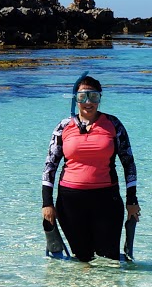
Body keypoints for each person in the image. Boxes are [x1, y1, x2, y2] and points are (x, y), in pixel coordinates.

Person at [42, 74, 140, 262]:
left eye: (94, 97)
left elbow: (128, 163)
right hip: (70, 202)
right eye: (82, 97)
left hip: (107, 200)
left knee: (109, 259)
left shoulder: (113, 124)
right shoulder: (63, 127)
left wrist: (132, 201)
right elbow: (50, 166)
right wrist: (47, 203)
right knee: (82, 260)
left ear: (100, 98)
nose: (88, 102)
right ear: (75, 99)